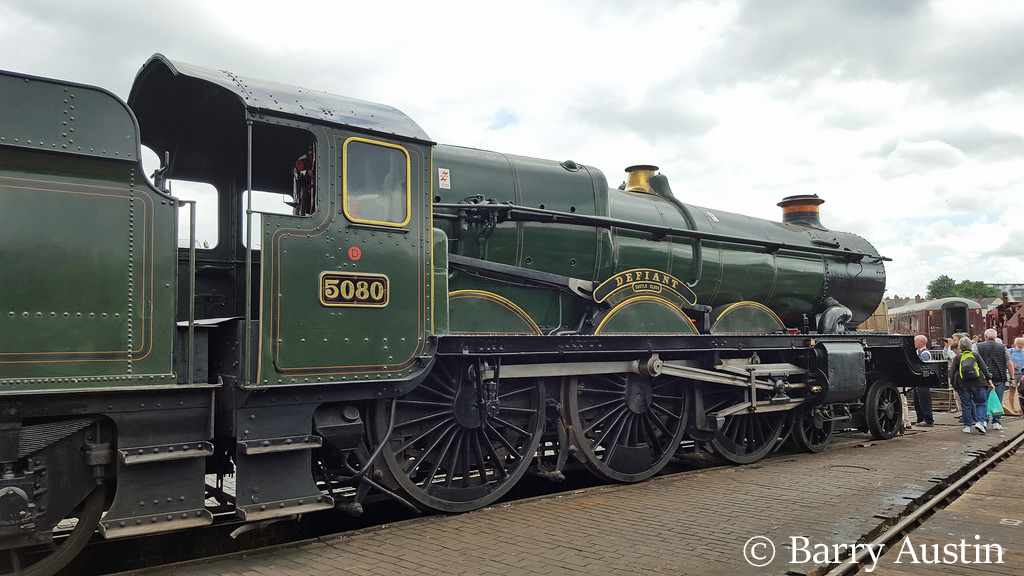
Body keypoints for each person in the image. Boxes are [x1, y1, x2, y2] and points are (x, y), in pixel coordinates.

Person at [951, 336, 994, 434]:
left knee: (966, 404)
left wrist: (953, 384)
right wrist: (989, 381)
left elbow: (953, 372)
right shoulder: (976, 355)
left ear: (960, 347)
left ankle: (967, 426)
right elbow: (984, 369)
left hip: (962, 384)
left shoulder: (957, 357)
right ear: (970, 345)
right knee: (981, 403)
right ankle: (980, 421)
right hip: (978, 383)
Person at [977, 328, 1013, 430]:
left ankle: (984, 420)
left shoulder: (978, 346)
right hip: (999, 377)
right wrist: (1012, 378)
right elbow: (1009, 363)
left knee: (984, 400)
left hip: (983, 378)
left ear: (985, 337)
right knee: (998, 399)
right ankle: (996, 421)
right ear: (996, 337)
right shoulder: (1003, 348)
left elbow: (974, 360)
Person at [911, 335, 934, 427]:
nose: (914, 343)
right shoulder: (917, 352)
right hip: (917, 380)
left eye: (915, 341)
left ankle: (928, 419)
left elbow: (922, 364)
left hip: (923, 381)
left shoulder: (925, 353)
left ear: (921, 342)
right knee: (917, 400)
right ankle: (920, 418)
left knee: (924, 400)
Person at [1007, 337, 1024, 415]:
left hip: (1022, 374)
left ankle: (1021, 408)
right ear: (1015, 344)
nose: (1020, 345)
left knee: (1022, 392)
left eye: (1022, 344)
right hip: (1012, 374)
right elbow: (1005, 361)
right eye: (1019, 343)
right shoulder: (1010, 351)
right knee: (1012, 391)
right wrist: (1012, 365)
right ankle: (1012, 408)